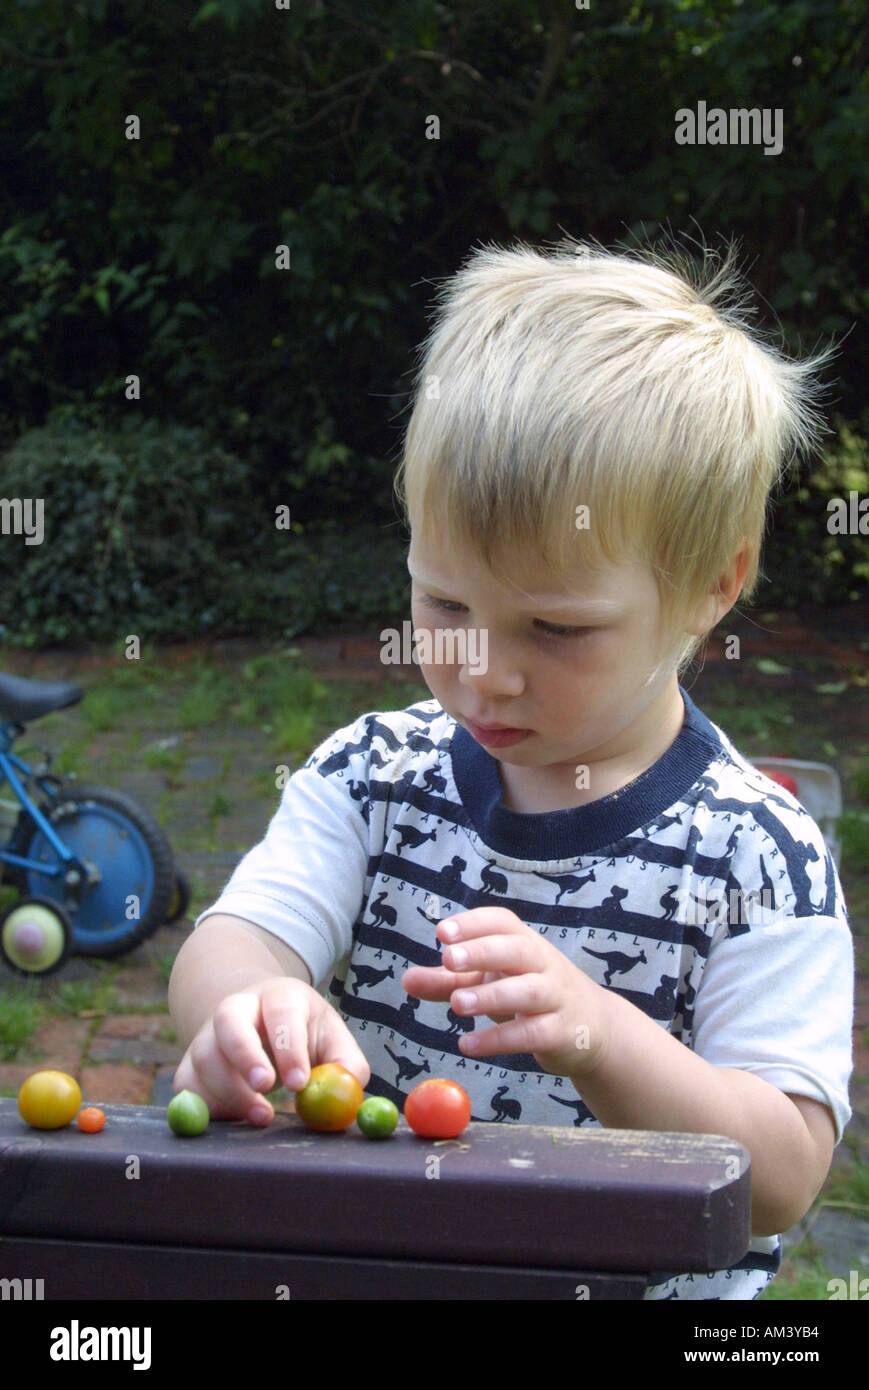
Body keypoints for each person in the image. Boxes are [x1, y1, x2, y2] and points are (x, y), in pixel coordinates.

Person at [168, 236, 853, 1300]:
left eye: (554, 627)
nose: (483, 674)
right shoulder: (370, 777)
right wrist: (255, 1005)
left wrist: (597, 1032)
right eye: (445, 605)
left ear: (709, 590)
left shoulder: (755, 858)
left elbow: (779, 1177)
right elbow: (234, 939)